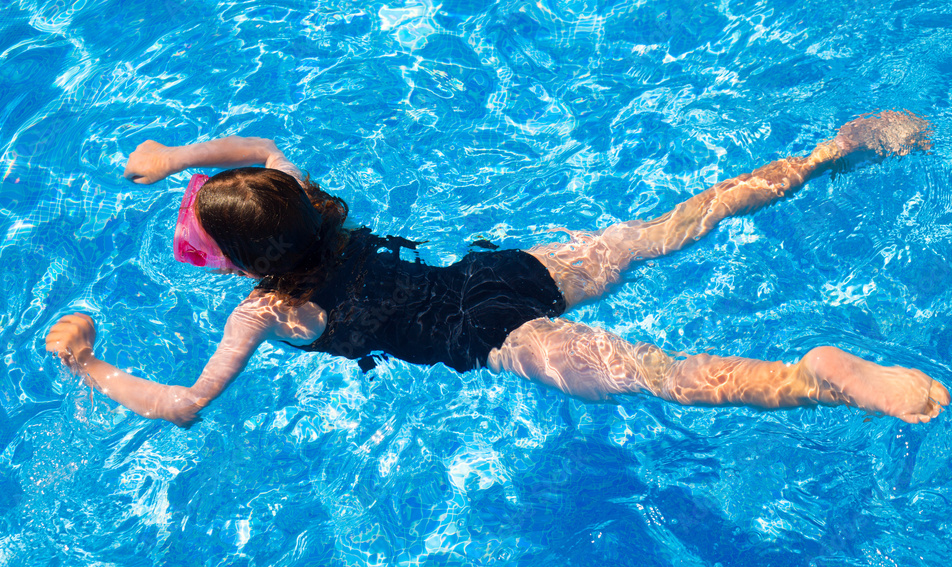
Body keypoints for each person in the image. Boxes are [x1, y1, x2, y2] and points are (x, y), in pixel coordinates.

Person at [46, 111, 949, 426]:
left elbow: (185, 404)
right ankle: (836, 151)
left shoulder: (263, 313)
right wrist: (174, 158)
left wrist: (86, 362)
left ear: (244, 262)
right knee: (669, 227)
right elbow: (258, 144)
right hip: (501, 273)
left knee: (658, 373)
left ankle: (815, 377)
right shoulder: (306, 193)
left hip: (496, 336)